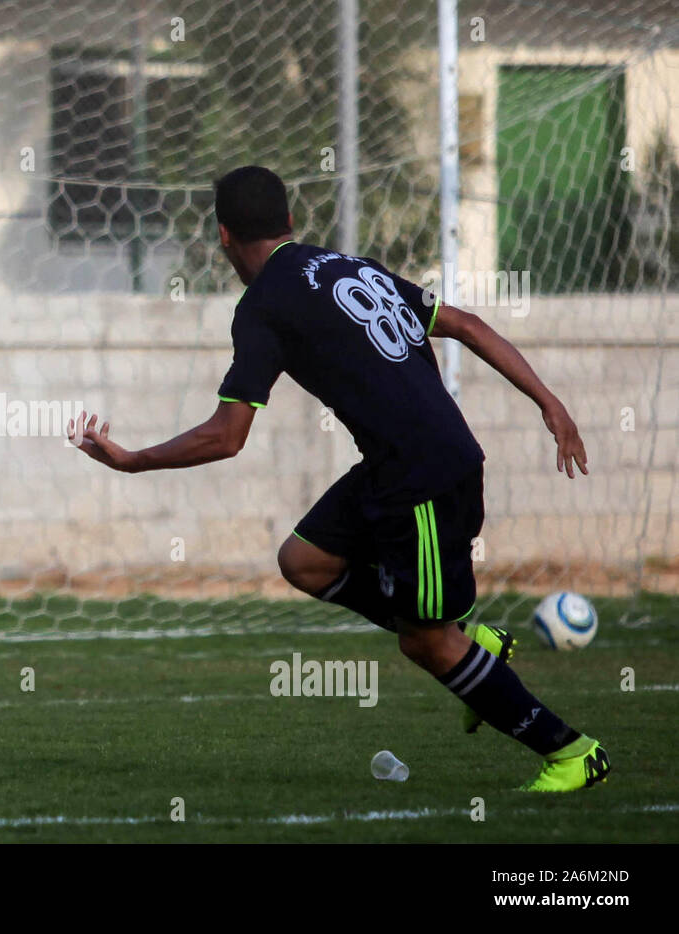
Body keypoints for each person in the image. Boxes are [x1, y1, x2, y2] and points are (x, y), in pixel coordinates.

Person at [69, 165, 609, 792]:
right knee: (305, 560)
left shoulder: (262, 306)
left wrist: (134, 460)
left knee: (425, 645)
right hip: (399, 465)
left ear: (222, 236)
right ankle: (470, 643)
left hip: (422, 478)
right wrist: (550, 401)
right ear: (290, 222)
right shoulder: (353, 266)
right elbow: (465, 324)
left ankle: (571, 752)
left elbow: (228, 434)